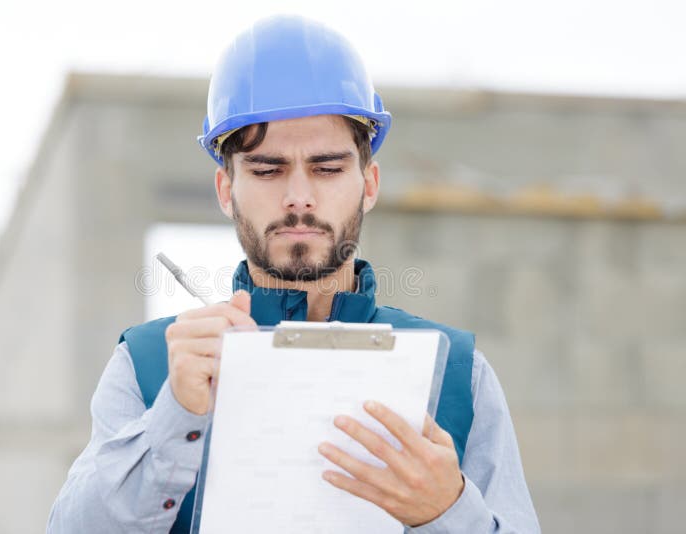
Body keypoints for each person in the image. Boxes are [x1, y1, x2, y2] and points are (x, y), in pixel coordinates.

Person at [47, 14, 540, 533]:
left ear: (369, 185)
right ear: (225, 189)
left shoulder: (461, 375)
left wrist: (448, 513)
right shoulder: (151, 366)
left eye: (327, 168)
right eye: (267, 169)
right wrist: (175, 417)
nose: (298, 196)